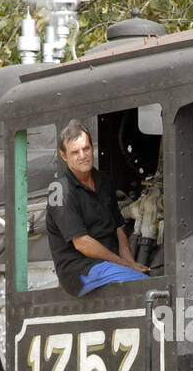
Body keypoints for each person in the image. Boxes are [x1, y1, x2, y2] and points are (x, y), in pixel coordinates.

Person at [46, 120, 150, 296]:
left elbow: (118, 230)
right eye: (75, 152)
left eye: (86, 149)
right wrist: (123, 265)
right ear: (64, 156)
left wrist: (131, 263)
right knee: (143, 287)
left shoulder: (103, 180)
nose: (83, 155)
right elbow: (82, 243)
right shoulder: (60, 190)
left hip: (108, 264)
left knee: (152, 278)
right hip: (81, 270)